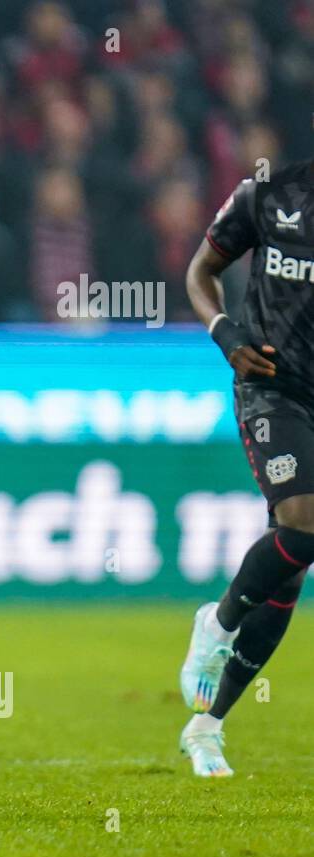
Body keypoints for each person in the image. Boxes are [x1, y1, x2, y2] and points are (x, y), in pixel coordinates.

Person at [180, 160, 314, 777]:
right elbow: (201, 272)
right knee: (305, 523)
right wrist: (226, 332)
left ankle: (207, 726)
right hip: (272, 388)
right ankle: (219, 619)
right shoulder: (265, 196)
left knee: (289, 569)